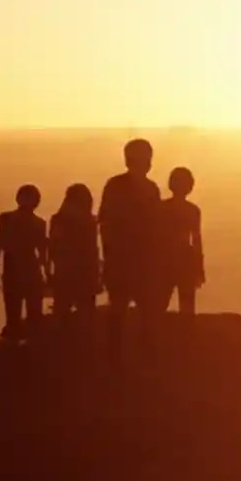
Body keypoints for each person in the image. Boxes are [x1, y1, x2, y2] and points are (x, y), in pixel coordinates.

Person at [99, 139, 162, 361]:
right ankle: (126, 355)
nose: (149, 163)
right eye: (147, 158)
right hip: (128, 259)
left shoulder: (122, 186)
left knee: (132, 309)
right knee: (128, 309)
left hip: (131, 259)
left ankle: (128, 355)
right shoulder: (129, 187)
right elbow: (106, 222)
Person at [0, 184, 48, 340]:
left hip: (24, 270)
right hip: (19, 270)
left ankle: (22, 349)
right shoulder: (9, 219)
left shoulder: (10, 219)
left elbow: (43, 252)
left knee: (24, 316)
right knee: (18, 315)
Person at [48, 183, 101, 321]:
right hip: (83, 272)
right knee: (85, 313)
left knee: (62, 311)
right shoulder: (90, 221)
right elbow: (93, 249)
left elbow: (53, 246)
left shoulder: (59, 219)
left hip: (67, 271)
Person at [159, 167, 205, 322]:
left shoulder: (161, 207)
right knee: (187, 307)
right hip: (186, 259)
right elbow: (197, 240)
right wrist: (199, 268)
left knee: (159, 304)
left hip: (165, 259)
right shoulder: (192, 210)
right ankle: (186, 338)